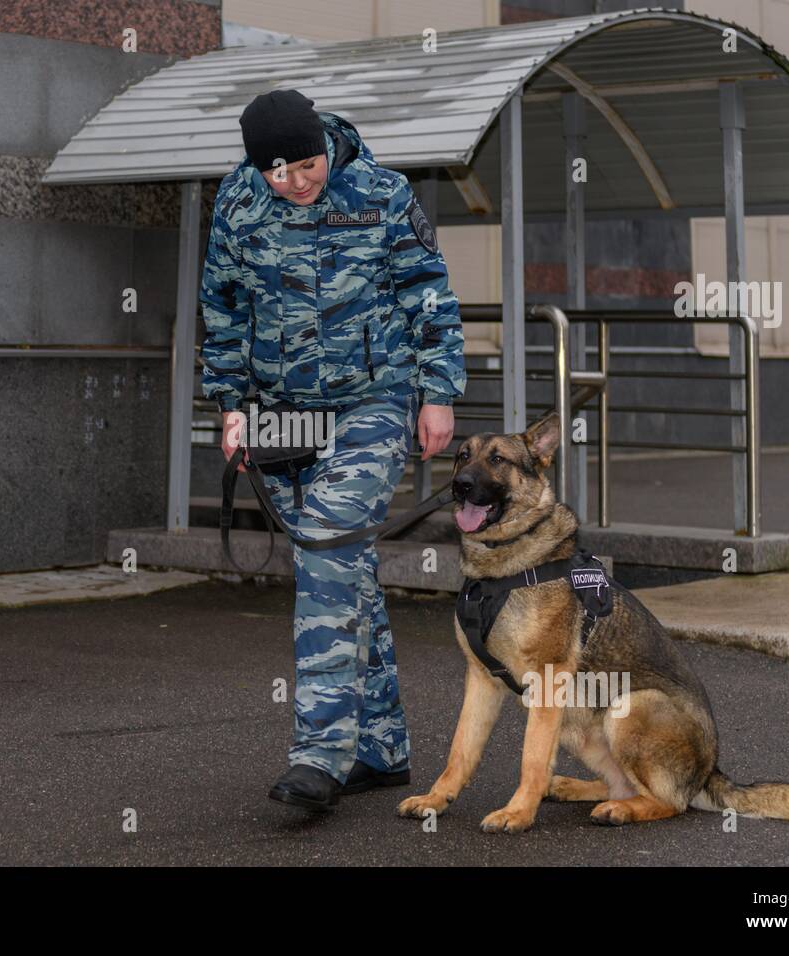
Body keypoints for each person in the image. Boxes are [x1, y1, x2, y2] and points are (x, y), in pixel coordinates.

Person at [200, 89, 466, 810]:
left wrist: (438, 392)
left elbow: (427, 294)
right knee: (345, 569)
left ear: (324, 143)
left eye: (307, 166)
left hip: (371, 402)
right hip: (283, 413)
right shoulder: (237, 200)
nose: (297, 183)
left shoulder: (380, 193)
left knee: (324, 546)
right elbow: (222, 306)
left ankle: (320, 753)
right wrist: (229, 405)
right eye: (280, 173)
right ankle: (381, 749)